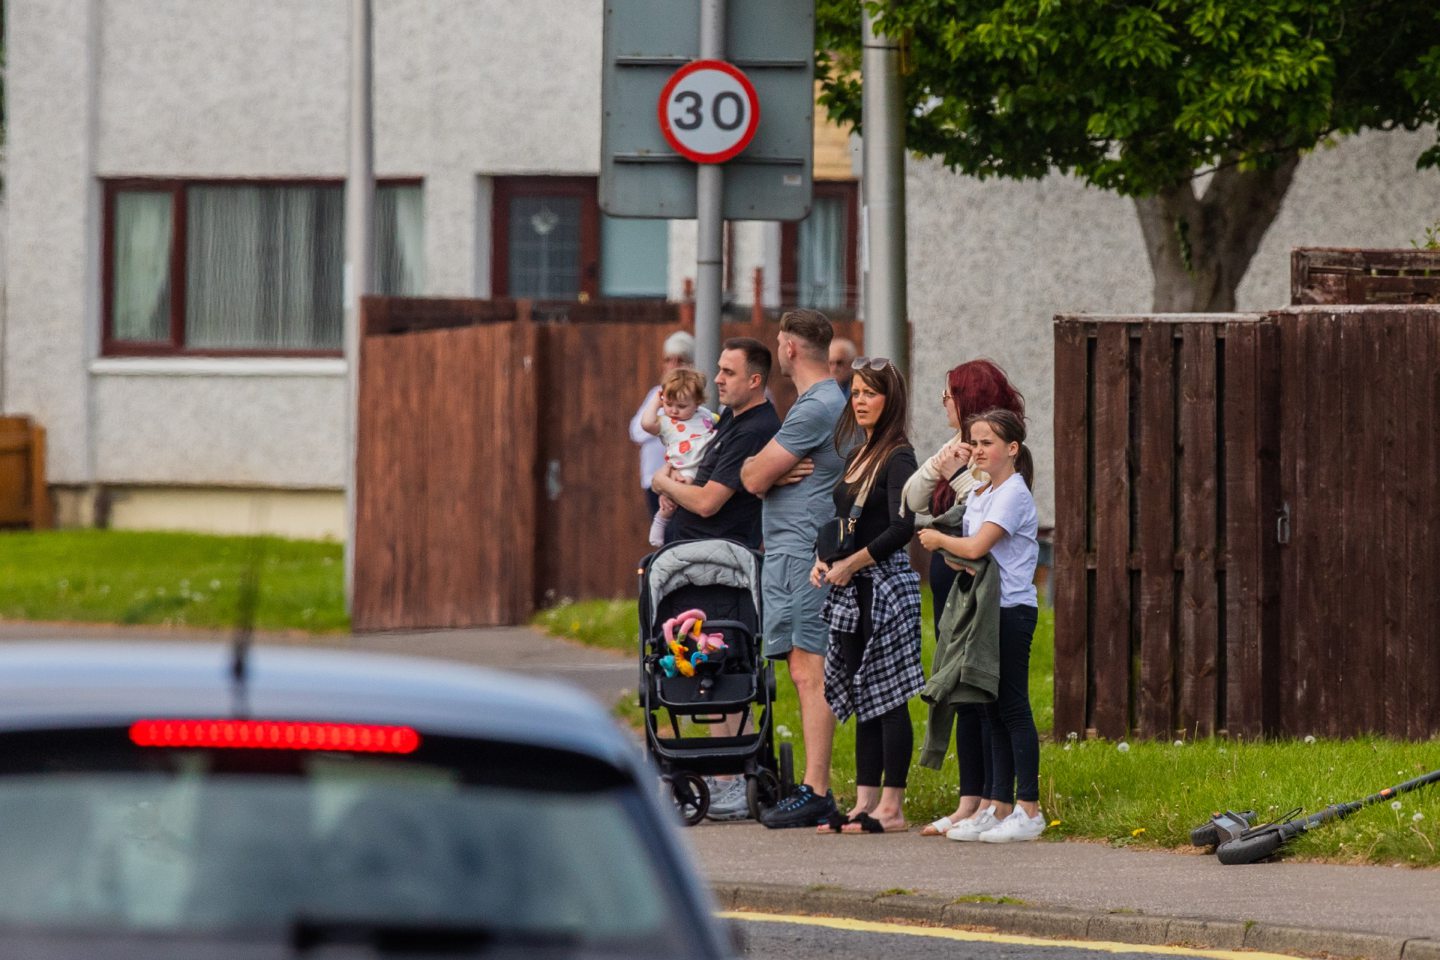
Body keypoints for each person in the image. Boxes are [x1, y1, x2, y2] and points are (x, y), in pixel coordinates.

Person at [650, 337, 780, 822]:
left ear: (755, 380)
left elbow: (708, 502)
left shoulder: (754, 428)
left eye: (728, 372)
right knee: (702, 668)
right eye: (720, 370)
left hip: (720, 568)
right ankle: (719, 774)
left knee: (724, 670)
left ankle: (730, 779)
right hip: (695, 564)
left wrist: (661, 482)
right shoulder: (729, 420)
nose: (718, 379)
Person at [900, 359, 1027, 838]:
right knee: (961, 692)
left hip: (985, 593)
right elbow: (912, 499)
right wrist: (940, 464)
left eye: (950, 394)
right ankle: (972, 800)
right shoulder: (959, 448)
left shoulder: (1002, 459)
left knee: (983, 694)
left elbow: (979, 510)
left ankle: (995, 801)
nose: (943, 402)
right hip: (954, 586)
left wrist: (955, 474)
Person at [738, 309, 849, 830]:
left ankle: (816, 790)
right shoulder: (818, 402)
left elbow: (752, 477)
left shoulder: (817, 407)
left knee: (810, 669)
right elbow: (757, 474)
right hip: (792, 551)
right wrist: (766, 472)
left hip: (805, 553)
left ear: (787, 348)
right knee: (801, 667)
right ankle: (813, 786)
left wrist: (766, 473)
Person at [916, 408, 1044, 842]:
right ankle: (998, 804)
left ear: (1012, 448)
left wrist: (939, 540)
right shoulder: (982, 492)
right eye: (974, 441)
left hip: (1010, 610)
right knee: (989, 706)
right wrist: (958, 551)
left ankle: (1029, 808)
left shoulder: (1013, 493)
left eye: (988, 442)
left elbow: (974, 548)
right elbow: (966, 557)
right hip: (983, 611)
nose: (978, 449)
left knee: (1012, 705)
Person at [808, 357, 923, 834]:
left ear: (890, 400)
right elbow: (843, 522)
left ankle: (891, 808)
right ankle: (863, 802)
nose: (859, 401)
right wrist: (822, 558)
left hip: (885, 587)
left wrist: (853, 563)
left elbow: (903, 527)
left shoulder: (899, 456)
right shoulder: (859, 452)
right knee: (861, 692)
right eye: (855, 393)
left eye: (870, 393)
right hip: (850, 589)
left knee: (888, 695)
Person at [640, 367, 717, 547]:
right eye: (669, 404)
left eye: (681, 406)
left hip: (706, 464)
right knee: (677, 495)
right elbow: (646, 424)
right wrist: (656, 402)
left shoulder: (704, 415)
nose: (674, 410)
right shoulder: (666, 422)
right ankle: (661, 520)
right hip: (684, 467)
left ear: (697, 403)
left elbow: (720, 423)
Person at [630, 331, 694, 517]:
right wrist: (663, 417)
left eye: (680, 360)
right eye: (668, 360)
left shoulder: (697, 397)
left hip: (684, 481)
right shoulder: (656, 394)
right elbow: (636, 431)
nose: (673, 366)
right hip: (654, 479)